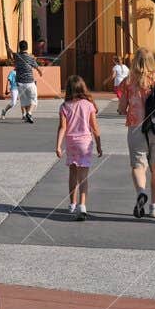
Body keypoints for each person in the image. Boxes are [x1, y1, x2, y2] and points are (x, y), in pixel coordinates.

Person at [119, 48, 155, 219]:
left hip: (136, 126)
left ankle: (141, 192)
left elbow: (121, 108)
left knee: (138, 165)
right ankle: (154, 206)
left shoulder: (129, 81)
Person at [55, 76, 102, 220]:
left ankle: (72, 204)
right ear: (83, 88)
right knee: (83, 177)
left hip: (71, 143)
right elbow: (94, 128)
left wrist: (58, 146)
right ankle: (82, 206)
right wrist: (99, 145)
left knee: (72, 174)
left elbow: (62, 127)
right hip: (85, 143)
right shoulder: (88, 105)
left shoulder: (64, 106)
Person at [10, 40, 40, 123]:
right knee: (34, 99)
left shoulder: (16, 56)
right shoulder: (30, 57)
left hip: (19, 82)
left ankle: (27, 116)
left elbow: (11, 52)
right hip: (29, 81)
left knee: (25, 100)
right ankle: (29, 113)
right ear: (27, 47)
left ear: (20, 47)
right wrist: (40, 72)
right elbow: (36, 67)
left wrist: (8, 47)